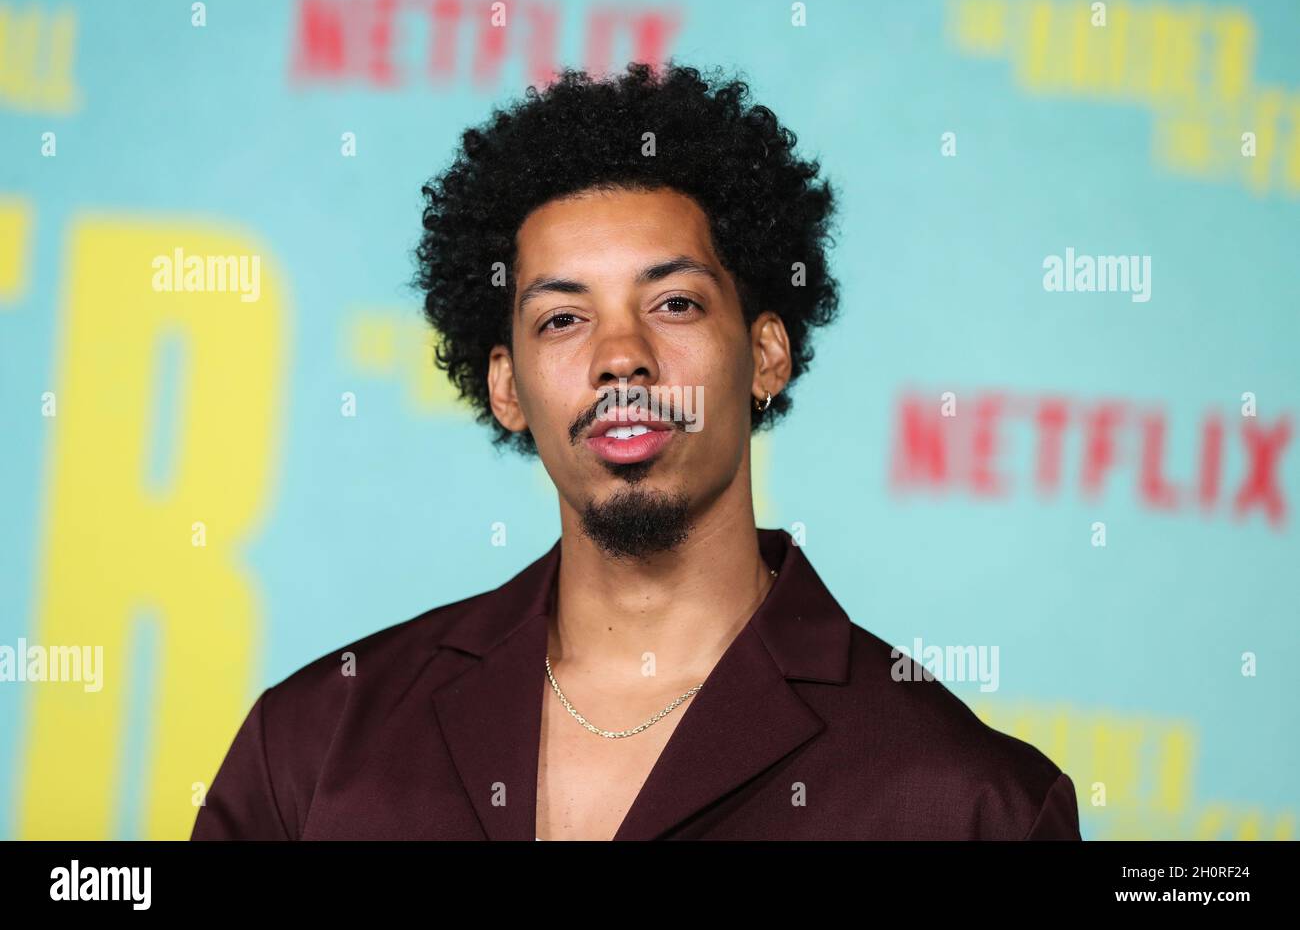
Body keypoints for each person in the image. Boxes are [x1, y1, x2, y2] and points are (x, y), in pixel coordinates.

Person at [191, 61, 1080, 841]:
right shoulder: (315, 745)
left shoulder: (968, 804)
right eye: (563, 318)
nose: (621, 357)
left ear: (767, 353)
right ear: (507, 387)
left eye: (675, 303)